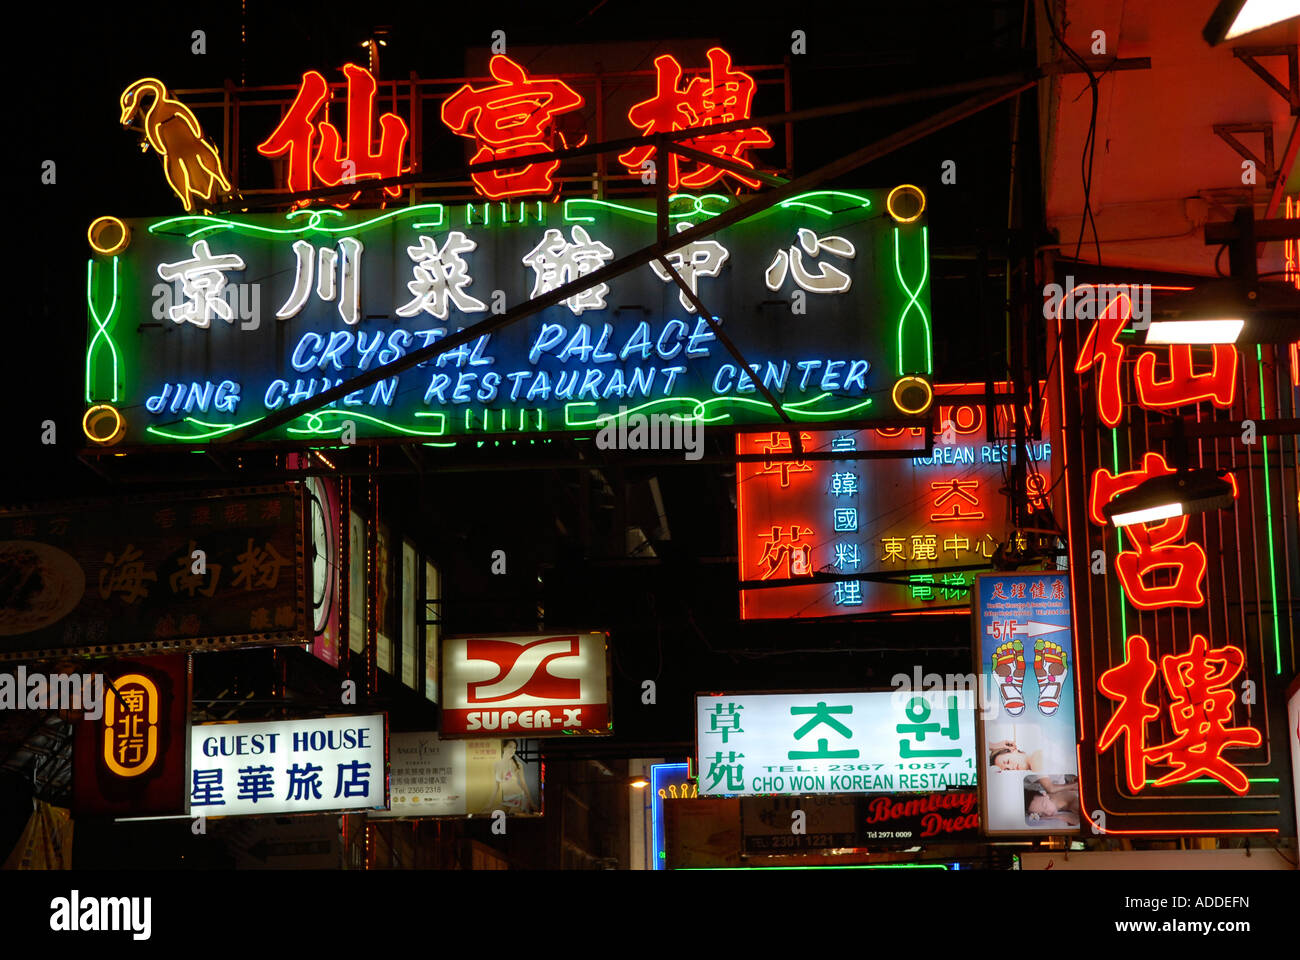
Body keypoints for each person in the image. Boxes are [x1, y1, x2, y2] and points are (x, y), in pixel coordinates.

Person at [488, 740, 536, 814]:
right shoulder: (496, 765)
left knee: (512, 816)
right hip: (507, 800)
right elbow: (496, 787)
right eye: (510, 747)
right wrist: (489, 804)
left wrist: (531, 803)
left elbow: (524, 785)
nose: (513, 750)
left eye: (514, 748)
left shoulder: (517, 765)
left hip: (519, 798)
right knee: (491, 812)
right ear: (504, 748)